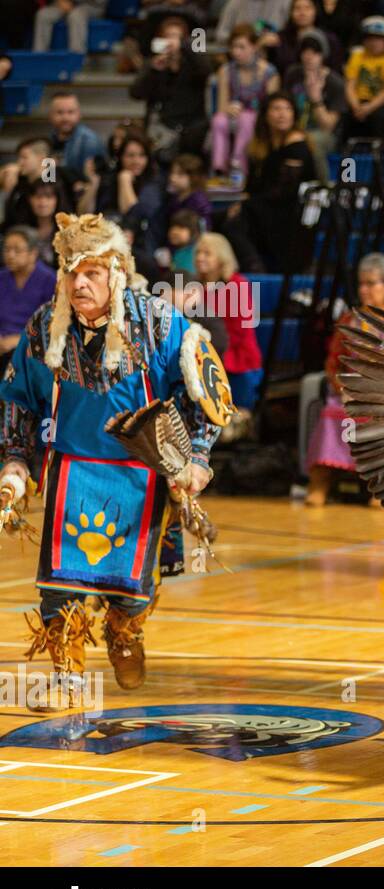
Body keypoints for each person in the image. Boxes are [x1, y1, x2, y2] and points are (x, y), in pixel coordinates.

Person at [0, 213, 224, 708]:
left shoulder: (159, 323)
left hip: (140, 475)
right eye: (71, 272)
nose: (79, 283)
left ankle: (126, 632)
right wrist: (15, 463)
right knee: (60, 586)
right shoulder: (44, 328)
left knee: (130, 590)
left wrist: (197, 461)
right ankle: (67, 676)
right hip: (73, 469)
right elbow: (19, 397)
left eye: (92, 273)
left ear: (117, 273)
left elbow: (203, 389)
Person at [305, 253, 384, 506]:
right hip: (352, 393)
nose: (364, 290)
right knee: (332, 411)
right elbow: (334, 362)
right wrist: (345, 388)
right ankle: (319, 482)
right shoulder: (350, 320)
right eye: (361, 284)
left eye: (371, 283)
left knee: (383, 417)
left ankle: (382, 487)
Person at [219, 93, 315, 274]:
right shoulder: (261, 145)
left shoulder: (297, 146)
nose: (282, 114)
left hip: (290, 209)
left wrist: (246, 205)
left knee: (232, 225)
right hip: (265, 207)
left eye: (287, 109)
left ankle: (255, 269)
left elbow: (284, 191)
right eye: (277, 109)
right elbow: (253, 184)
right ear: (265, 115)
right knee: (221, 217)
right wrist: (243, 201)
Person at [129, 16, 214, 162]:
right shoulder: (154, 64)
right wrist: (152, 69)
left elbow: (206, 71)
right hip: (162, 125)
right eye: (168, 37)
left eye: (176, 37)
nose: (171, 42)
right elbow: (135, 93)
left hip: (191, 126)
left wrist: (185, 46)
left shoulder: (194, 64)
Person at [192, 232, 263, 409]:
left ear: (222, 257)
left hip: (236, 361)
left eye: (207, 253)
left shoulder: (238, 284)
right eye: (198, 253)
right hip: (205, 359)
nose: (200, 257)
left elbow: (241, 330)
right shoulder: (194, 286)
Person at [79, 132, 168, 262]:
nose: (136, 161)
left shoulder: (154, 182)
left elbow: (134, 214)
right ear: (120, 157)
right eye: (130, 156)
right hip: (105, 246)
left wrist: (124, 180)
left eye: (142, 155)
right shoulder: (109, 179)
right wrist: (94, 183)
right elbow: (84, 213)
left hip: (141, 248)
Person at [210, 23, 280, 185]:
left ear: (254, 47)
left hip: (258, 116)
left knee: (246, 120)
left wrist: (249, 112)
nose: (236, 52)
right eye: (233, 47)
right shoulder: (226, 71)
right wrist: (228, 108)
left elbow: (270, 106)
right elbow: (221, 106)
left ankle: (238, 166)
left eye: (242, 47)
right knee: (219, 120)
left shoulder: (268, 72)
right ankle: (218, 168)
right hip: (233, 115)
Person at [283, 29, 347, 182]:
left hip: (325, 135)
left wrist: (316, 98)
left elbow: (328, 126)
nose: (309, 57)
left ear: (323, 55)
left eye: (315, 52)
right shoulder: (293, 75)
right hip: (294, 128)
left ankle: (323, 188)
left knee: (311, 141)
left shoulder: (335, 82)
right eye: (305, 51)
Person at [0, 227, 58, 374]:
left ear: (33, 253)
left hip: (32, 344)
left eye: (17, 250)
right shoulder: (2, 277)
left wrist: (19, 339)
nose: (10, 255)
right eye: (7, 249)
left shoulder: (49, 279)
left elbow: (51, 323)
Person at [342, 15, 384, 141]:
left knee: (379, 117)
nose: (374, 42)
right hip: (359, 102)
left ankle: (379, 156)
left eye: (379, 38)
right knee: (345, 117)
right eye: (370, 38)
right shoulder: (357, 56)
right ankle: (346, 157)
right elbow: (349, 85)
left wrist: (368, 108)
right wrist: (356, 107)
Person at [47, 93, 108, 187]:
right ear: (50, 115)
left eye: (70, 112)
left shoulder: (90, 141)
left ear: (79, 114)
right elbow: (47, 179)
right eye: (59, 112)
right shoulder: (48, 141)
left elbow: (90, 181)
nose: (65, 118)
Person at [272, 0, 344, 74]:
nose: (302, 13)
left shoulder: (329, 39)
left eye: (307, 8)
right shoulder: (281, 38)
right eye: (297, 8)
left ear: (315, 11)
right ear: (291, 12)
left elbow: (336, 70)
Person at [33, 0, 107, 54]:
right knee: (43, 15)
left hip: (91, 5)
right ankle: (39, 55)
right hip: (67, 3)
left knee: (75, 15)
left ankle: (76, 57)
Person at [165, 153, 213, 230]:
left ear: (193, 177)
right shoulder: (175, 197)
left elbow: (204, 228)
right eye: (172, 172)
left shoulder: (198, 200)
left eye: (180, 174)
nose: (172, 177)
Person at [216, 0, 291, 45]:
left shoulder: (285, 2)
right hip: (241, 56)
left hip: (275, 54)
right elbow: (221, 34)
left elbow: (294, 33)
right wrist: (239, 40)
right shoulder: (235, 3)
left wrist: (279, 38)